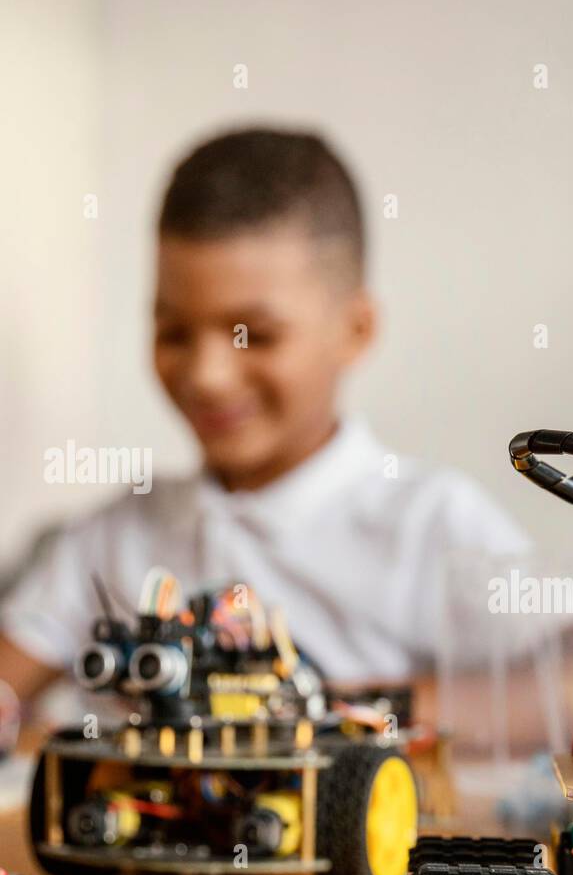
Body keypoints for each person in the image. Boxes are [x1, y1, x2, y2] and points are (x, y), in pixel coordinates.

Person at [0, 128, 530, 708]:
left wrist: (335, 711)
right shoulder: (110, 540)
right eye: (174, 332)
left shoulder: (434, 524)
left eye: (255, 337)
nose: (208, 375)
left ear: (355, 330)